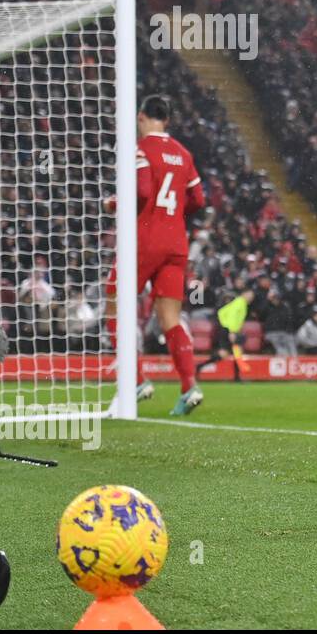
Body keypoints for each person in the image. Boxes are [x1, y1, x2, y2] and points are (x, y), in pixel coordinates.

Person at [105, 94, 207, 415]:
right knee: (170, 319)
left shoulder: (141, 150)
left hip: (145, 240)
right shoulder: (183, 154)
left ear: (141, 117)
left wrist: (114, 204)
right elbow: (198, 199)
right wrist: (172, 215)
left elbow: (143, 190)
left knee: (114, 304)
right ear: (168, 120)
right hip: (176, 243)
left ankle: (136, 381)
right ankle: (189, 386)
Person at [197, 289, 254, 383]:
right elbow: (232, 317)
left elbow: (222, 312)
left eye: (252, 296)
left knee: (233, 352)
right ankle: (199, 366)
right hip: (229, 330)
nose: (251, 297)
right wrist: (231, 331)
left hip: (227, 329)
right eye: (249, 295)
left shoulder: (239, 302)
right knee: (231, 352)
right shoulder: (240, 303)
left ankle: (237, 377)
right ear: (244, 294)